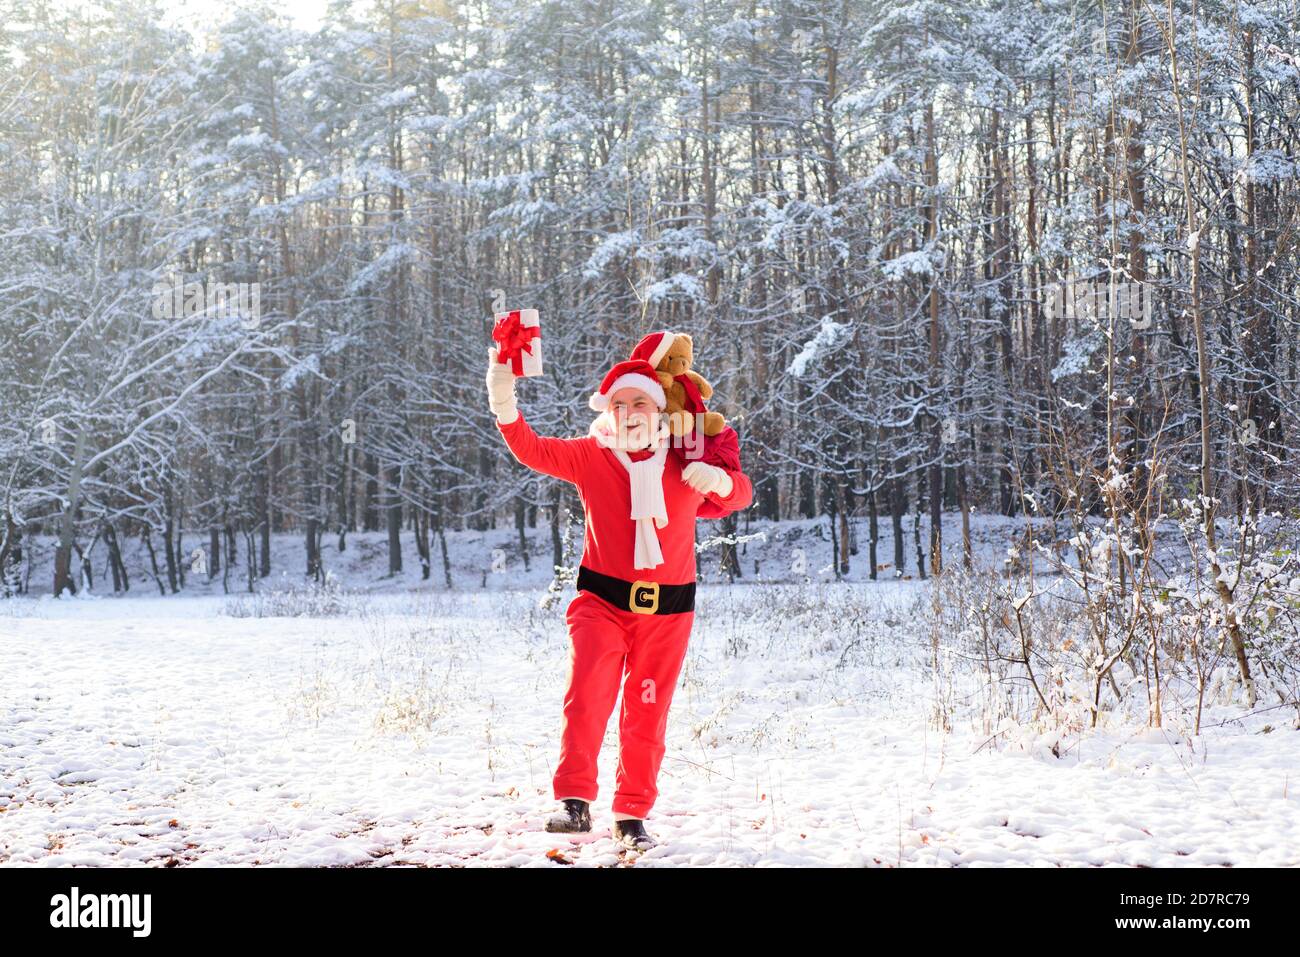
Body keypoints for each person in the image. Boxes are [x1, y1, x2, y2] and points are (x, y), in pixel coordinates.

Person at [485, 337, 753, 851]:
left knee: (646, 712)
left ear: (659, 408)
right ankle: (573, 802)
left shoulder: (685, 457)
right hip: (601, 603)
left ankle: (631, 814)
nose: (629, 413)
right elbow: (531, 447)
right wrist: (503, 391)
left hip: (668, 610)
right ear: (607, 411)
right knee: (587, 696)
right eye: (619, 404)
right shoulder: (592, 456)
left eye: (640, 403)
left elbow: (742, 493)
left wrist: (718, 479)